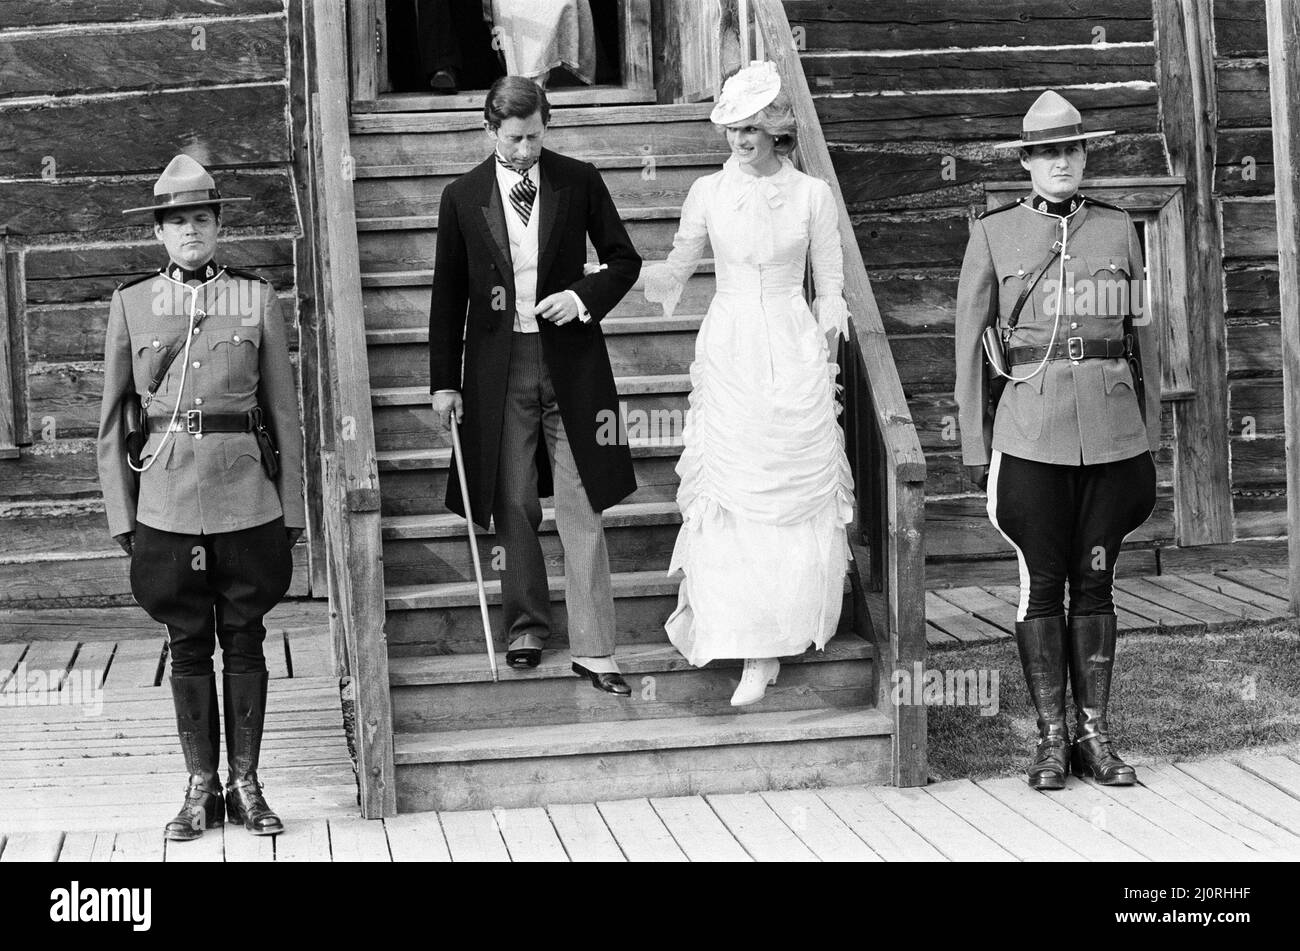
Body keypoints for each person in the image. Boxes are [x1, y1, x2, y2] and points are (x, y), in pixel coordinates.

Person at [954, 91, 1161, 790]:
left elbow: (1144, 334)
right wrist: (975, 447)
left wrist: (1150, 423)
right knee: (1043, 584)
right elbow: (966, 345)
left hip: (1109, 427)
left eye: (1071, 149)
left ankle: (1094, 735)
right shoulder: (993, 233)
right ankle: (1049, 739)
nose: (1061, 162)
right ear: (1026, 163)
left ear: (1085, 155)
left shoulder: (1117, 228)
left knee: (1096, 580)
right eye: (1047, 152)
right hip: (1031, 429)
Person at [97, 154, 305, 839]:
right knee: (186, 643)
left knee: (244, 638)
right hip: (166, 498)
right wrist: (123, 515)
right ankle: (198, 789)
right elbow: (113, 420)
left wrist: (293, 508)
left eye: (201, 217)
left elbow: (284, 411)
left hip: (246, 494)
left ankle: (246, 784)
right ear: (159, 231)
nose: (190, 230)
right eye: (177, 220)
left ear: (218, 225)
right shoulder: (131, 302)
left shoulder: (255, 298)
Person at [643, 61, 854, 707]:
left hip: (790, 345)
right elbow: (677, 264)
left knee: (787, 484)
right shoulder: (708, 191)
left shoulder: (813, 196)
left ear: (776, 129)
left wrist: (823, 354)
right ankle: (739, 632)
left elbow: (832, 283)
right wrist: (614, 273)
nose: (739, 138)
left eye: (752, 127)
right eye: (732, 126)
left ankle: (780, 637)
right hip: (732, 342)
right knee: (733, 491)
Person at [428, 76, 641, 694]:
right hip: (499, 369)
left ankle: (597, 649)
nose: (526, 150)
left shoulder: (579, 179)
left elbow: (623, 259)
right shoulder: (462, 196)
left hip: (572, 363)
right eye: (515, 138)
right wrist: (445, 381)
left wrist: (581, 296)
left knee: (581, 502)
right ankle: (526, 626)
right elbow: (447, 296)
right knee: (513, 500)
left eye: (536, 136)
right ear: (488, 129)